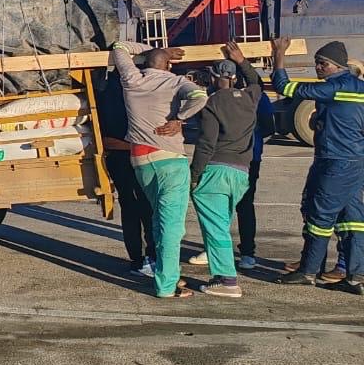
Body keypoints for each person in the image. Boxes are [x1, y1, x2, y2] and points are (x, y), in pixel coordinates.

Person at [111, 42, 210, 298]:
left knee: (157, 218)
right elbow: (200, 97)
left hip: (141, 161)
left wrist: (161, 51)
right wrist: (180, 119)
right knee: (171, 226)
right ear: (168, 65)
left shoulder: (131, 79)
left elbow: (119, 46)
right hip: (169, 159)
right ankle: (167, 284)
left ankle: (161, 270)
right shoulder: (176, 82)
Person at [272, 38, 364, 294]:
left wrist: (279, 55)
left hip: (334, 161)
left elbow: (285, 87)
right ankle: (356, 277)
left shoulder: (333, 88)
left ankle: (309, 271)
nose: (318, 68)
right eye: (316, 63)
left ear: (336, 65)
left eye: (322, 64)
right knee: (353, 219)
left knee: (319, 215)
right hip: (355, 161)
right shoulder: (360, 87)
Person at [184, 43, 264, 298]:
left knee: (216, 227)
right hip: (241, 171)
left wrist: (194, 176)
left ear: (214, 78)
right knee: (222, 223)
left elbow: (206, 144)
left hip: (217, 170)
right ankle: (222, 274)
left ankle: (228, 281)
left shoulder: (211, 104)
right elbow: (256, 82)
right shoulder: (250, 99)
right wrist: (242, 60)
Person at [97, 72, 155, 276]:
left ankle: (139, 259)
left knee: (131, 208)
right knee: (146, 208)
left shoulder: (105, 94)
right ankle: (148, 257)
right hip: (133, 156)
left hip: (120, 158)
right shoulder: (135, 93)